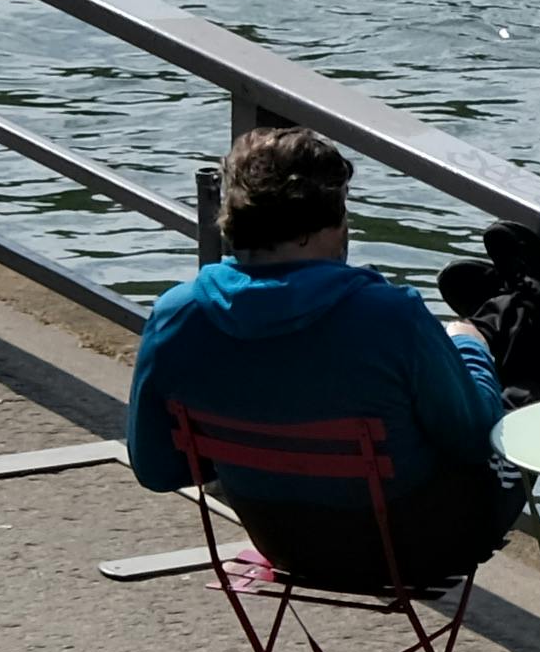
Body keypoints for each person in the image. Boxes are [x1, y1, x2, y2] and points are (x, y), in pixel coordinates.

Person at [124, 127, 518, 595]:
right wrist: (469, 346)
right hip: (412, 552)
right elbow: (476, 439)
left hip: (286, 545)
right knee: (521, 410)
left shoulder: (177, 314)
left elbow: (157, 468)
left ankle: (517, 311)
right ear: (316, 229)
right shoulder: (390, 315)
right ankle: (522, 315)